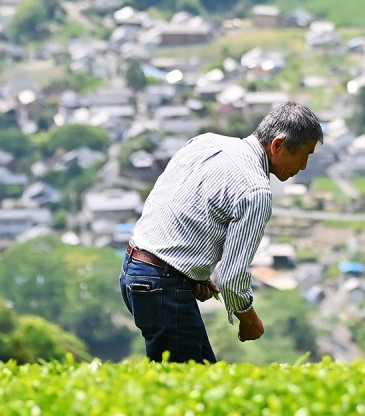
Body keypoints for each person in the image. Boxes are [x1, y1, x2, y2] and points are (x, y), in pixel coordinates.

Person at [119, 101, 323, 363]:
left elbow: (174, 204)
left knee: (201, 371)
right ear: (278, 145)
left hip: (135, 268)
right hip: (163, 285)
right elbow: (231, 276)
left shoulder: (206, 142)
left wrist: (194, 274)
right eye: (304, 155)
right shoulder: (256, 191)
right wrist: (249, 319)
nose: (303, 166)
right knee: (182, 382)